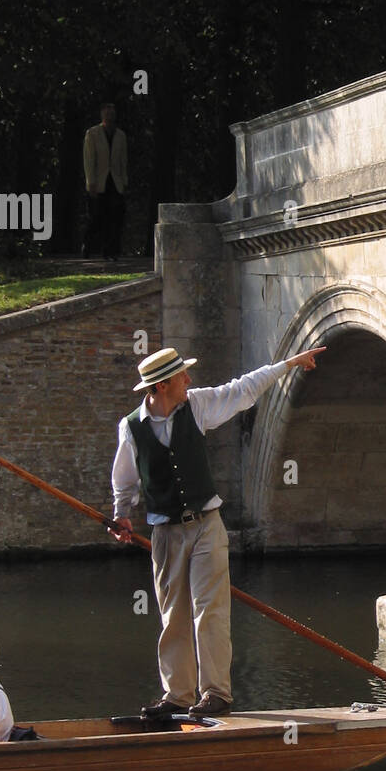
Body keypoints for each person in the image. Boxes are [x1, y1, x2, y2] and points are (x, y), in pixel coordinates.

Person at [110, 345, 326, 718]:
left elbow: (242, 389)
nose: (189, 380)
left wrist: (287, 365)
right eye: (182, 376)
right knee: (173, 615)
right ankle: (177, 696)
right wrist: (122, 514)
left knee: (208, 610)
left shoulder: (198, 405)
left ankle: (215, 694)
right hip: (165, 533)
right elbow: (125, 480)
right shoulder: (131, 427)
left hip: (207, 525)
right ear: (161, 386)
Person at [83, 102, 128, 260]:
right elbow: (89, 160)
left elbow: (123, 160)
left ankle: (111, 251)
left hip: (115, 181)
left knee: (115, 217)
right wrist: (91, 182)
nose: (109, 117)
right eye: (107, 114)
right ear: (102, 115)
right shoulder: (93, 133)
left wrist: (124, 182)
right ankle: (87, 246)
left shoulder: (121, 135)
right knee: (96, 217)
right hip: (99, 181)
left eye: (112, 114)